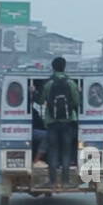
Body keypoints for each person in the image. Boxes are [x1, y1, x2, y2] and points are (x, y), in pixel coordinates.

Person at [34, 56, 81, 189]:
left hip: (52, 123)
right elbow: (77, 102)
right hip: (68, 123)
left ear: (53, 67)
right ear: (64, 67)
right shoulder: (71, 83)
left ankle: (52, 182)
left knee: (53, 151)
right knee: (66, 152)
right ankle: (66, 182)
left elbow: (40, 100)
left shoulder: (48, 84)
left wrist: (33, 93)